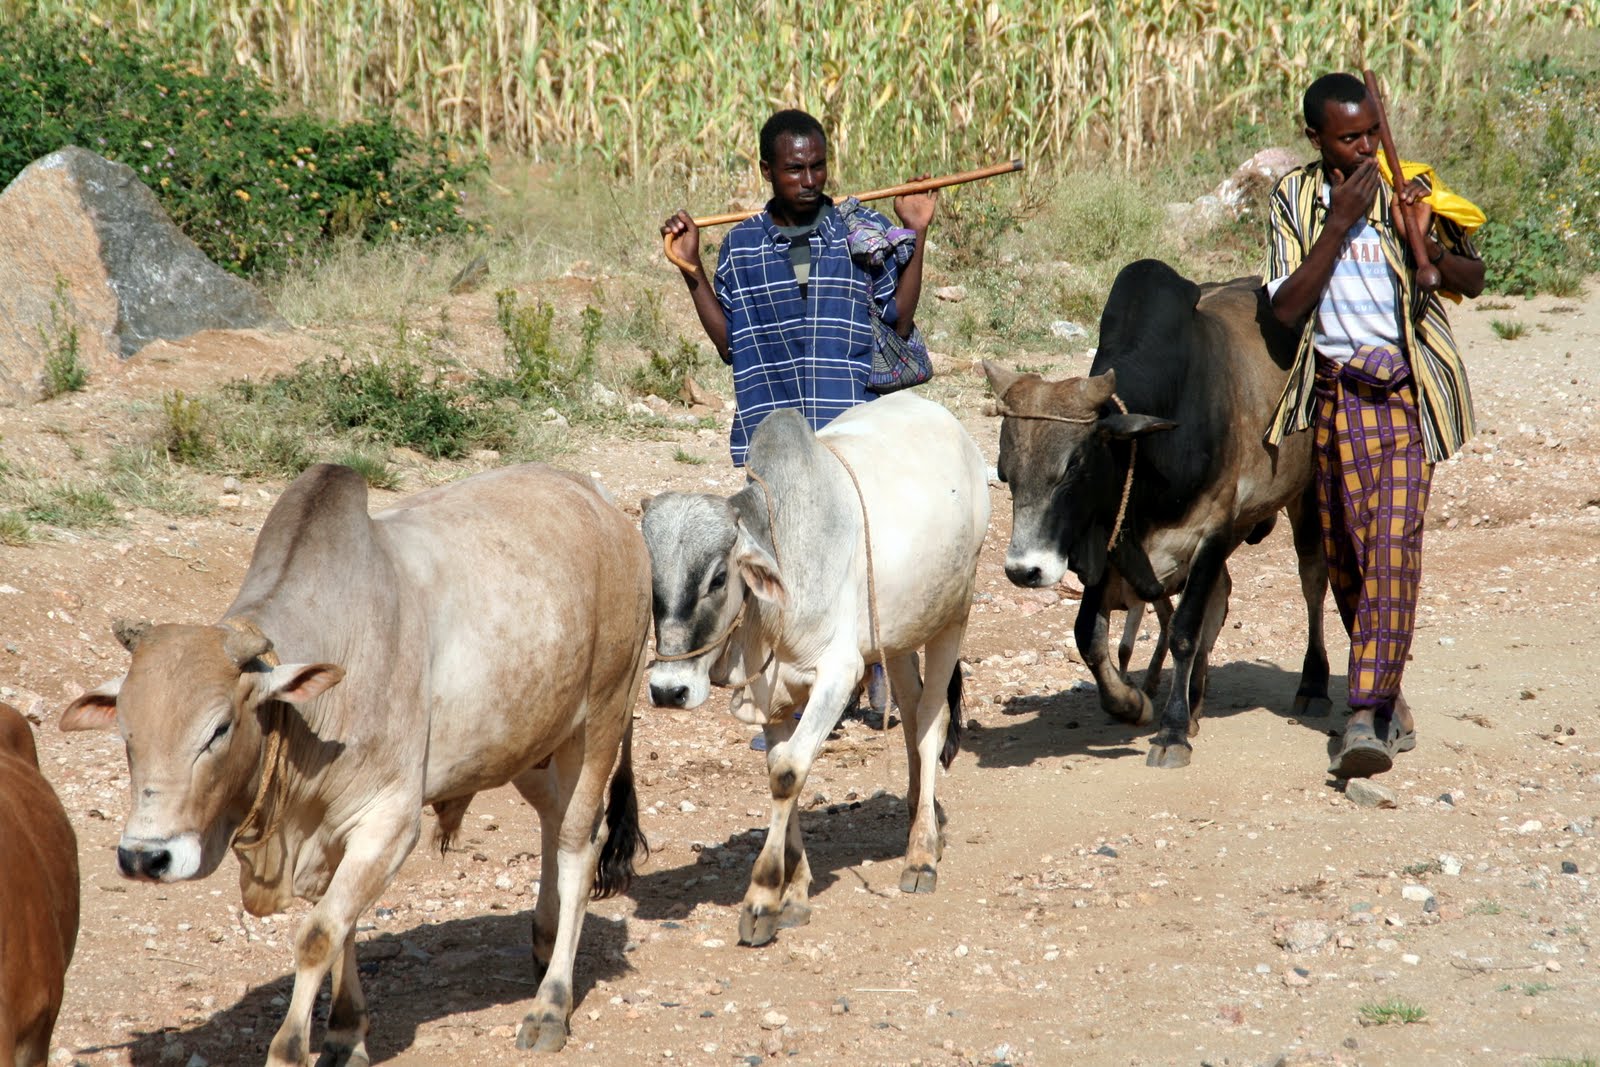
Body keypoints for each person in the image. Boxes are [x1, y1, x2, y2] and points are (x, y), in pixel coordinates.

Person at [1264, 71, 1486, 779]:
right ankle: (1389, 692)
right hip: (1332, 401)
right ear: (1316, 138)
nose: (1365, 148)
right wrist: (1337, 226)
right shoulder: (1296, 200)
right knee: (1349, 563)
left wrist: (1426, 242)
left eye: (1370, 132)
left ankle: (1363, 715)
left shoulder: (1408, 186)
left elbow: (1471, 278)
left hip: (1402, 399)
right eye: (1348, 137)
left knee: (1392, 546)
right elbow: (1285, 308)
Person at [660, 108, 936, 466]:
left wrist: (917, 229)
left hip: (855, 438)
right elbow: (731, 345)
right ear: (766, 171)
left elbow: (898, 320)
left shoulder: (861, 230)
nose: (810, 180)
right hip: (776, 444)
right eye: (794, 169)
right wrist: (690, 266)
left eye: (818, 166)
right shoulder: (742, 246)